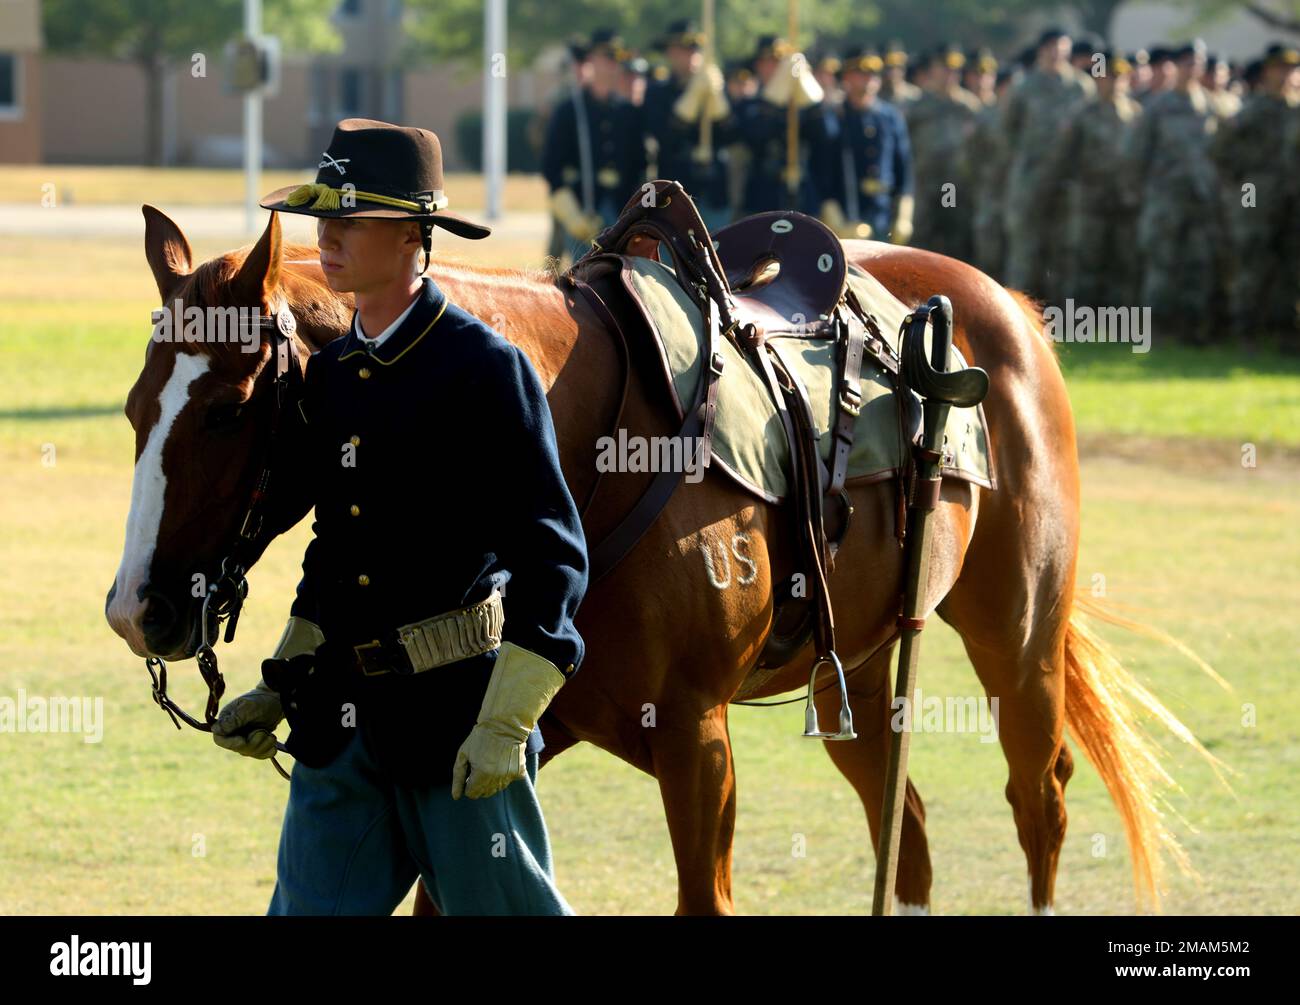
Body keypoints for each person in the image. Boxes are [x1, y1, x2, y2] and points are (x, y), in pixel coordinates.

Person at [213, 118, 588, 916]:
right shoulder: (337, 372)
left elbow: (555, 559)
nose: (330, 235)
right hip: (339, 727)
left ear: (416, 236)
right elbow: (336, 549)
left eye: (353, 218)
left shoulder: (487, 371)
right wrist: (284, 682)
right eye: (325, 217)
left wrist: (506, 723)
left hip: (457, 724)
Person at [542, 29, 646, 264]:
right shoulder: (569, 111)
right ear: (591, 61)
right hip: (583, 207)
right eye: (607, 58)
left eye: (616, 60)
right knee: (585, 281)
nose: (612, 65)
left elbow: (640, 163)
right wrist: (571, 214)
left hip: (621, 209)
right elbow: (551, 167)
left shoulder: (628, 112)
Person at [809, 47, 913, 244]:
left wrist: (903, 216)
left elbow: (904, 169)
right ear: (846, 77)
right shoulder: (833, 116)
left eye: (873, 74)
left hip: (883, 217)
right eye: (861, 74)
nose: (868, 79)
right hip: (846, 217)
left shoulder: (890, 117)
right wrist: (835, 220)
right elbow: (820, 171)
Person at [641, 18, 733, 231]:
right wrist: (692, 96)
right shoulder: (658, 92)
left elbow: (732, 134)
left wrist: (717, 98)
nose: (691, 55)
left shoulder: (714, 88)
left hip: (714, 192)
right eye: (683, 49)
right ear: (670, 53)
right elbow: (665, 136)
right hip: (675, 193)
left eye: (694, 49)